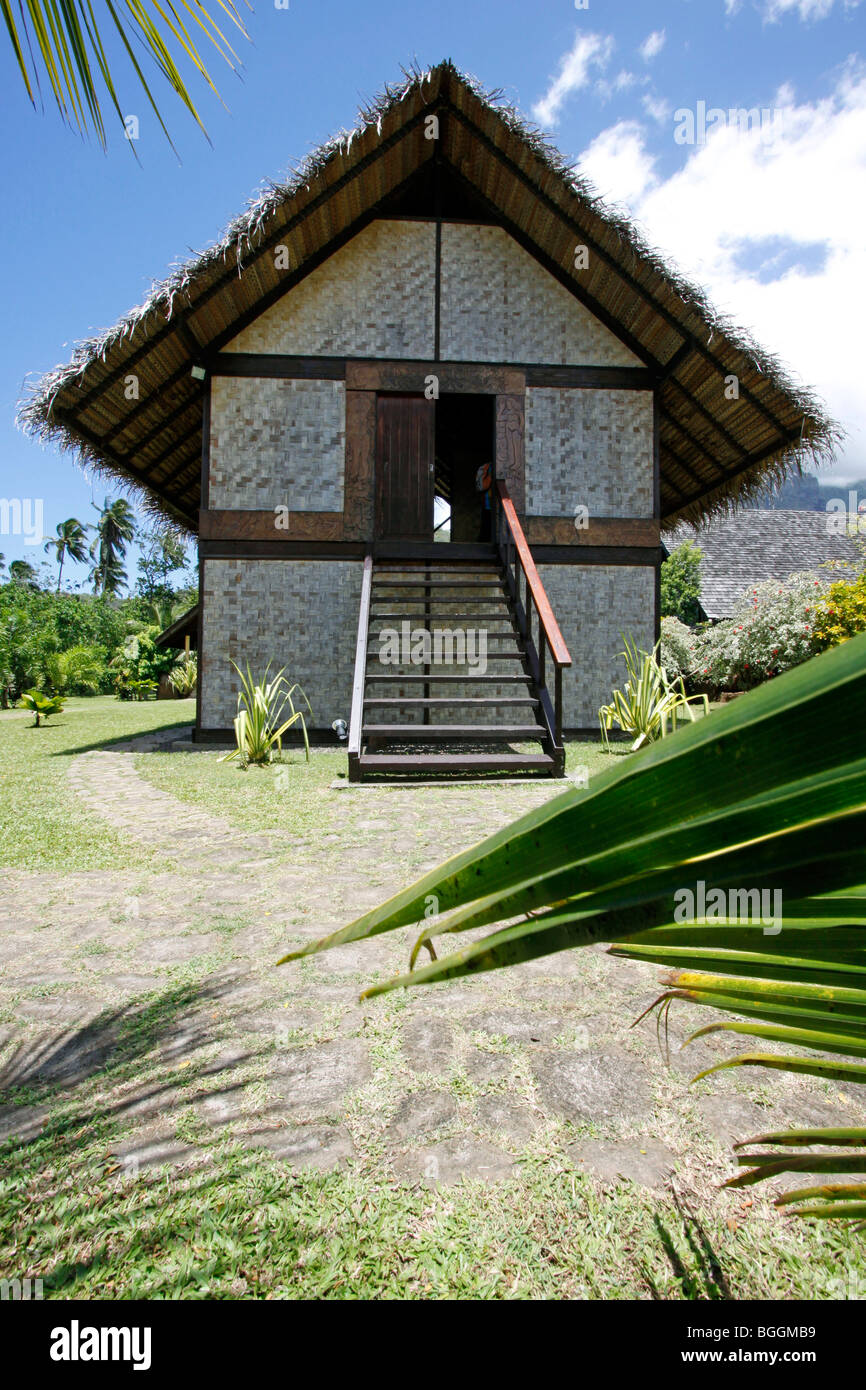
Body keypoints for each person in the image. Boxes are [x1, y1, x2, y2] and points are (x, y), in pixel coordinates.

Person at [475, 461, 493, 541]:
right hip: (489, 502)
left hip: (487, 502)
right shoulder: (490, 467)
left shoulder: (486, 466)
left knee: (486, 525)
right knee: (487, 525)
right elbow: (484, 485)